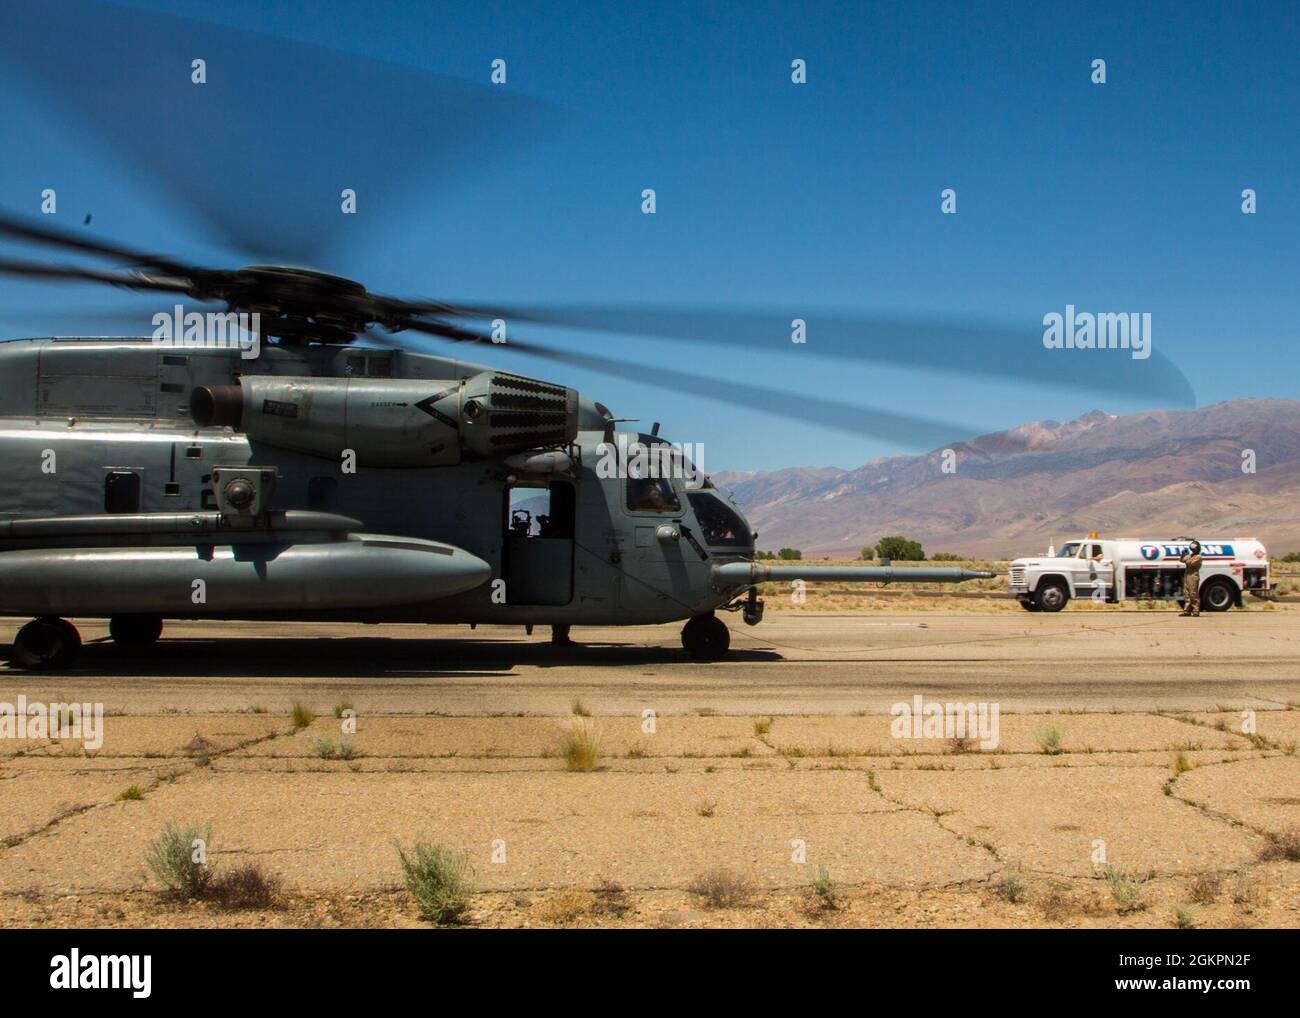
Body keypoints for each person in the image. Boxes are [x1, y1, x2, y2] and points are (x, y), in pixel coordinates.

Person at [1179, 540, 1202, 616]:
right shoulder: (1190, 556)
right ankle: (1187, 611)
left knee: (1193, 593)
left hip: (1193, 576)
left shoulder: (1198, 557)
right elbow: (1182, 560)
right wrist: (1183, 554)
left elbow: (1189, 563)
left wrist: (1186, 558)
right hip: (1187, 576)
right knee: (1187, 593)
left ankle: (1196, 610)